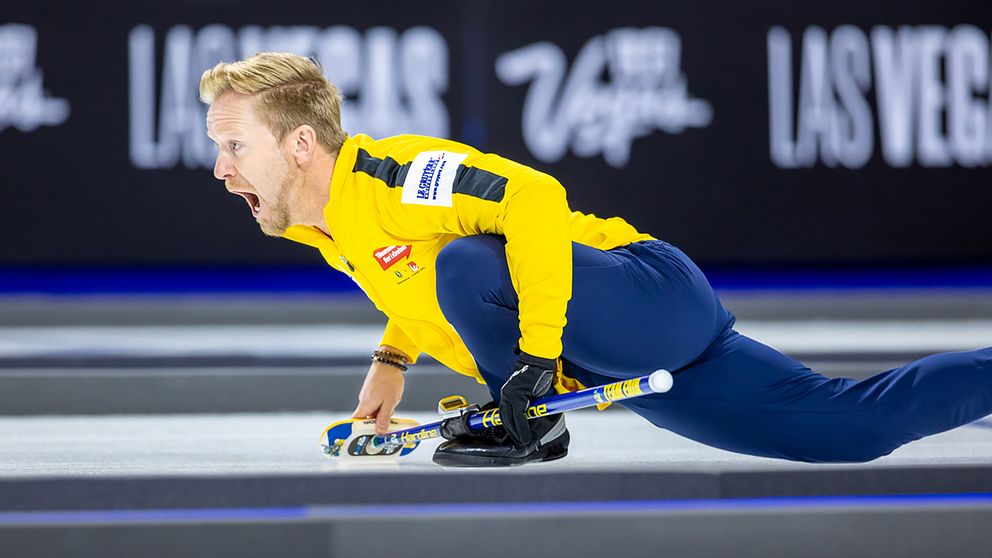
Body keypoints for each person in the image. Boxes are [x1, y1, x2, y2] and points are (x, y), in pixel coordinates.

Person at [199, 52, 992, 467]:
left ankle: (536, 430)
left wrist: (535, 366)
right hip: (636, 350)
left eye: (235, 145)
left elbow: (534, 200)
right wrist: (393, 356)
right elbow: (409, 274)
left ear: (302, 144)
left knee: (470, 265)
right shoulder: (327, 225)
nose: (221, 168)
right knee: (851, 429)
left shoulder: (395, 177)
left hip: (645, 294)